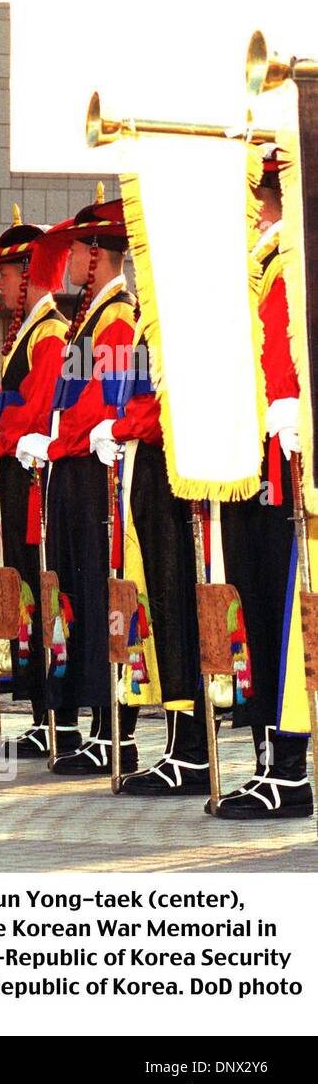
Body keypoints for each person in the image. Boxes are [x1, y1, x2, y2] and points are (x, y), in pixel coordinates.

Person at [17, 196, 202, 781]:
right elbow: (72, 399)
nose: (68, 260)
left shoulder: (117, 317)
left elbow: (105, 399)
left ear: (95, 255)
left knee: (109, 600)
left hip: (102, 468)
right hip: (80, 460)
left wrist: (65, 438)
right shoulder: (93, 316)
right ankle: (105, 727)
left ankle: (116, 730)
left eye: (74, 250)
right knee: (83, 599)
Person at [213, 147, 314, 818]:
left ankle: (291, 770)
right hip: (250, 456)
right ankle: (267, 753)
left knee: (283, 611)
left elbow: (287, 349)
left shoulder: (290, 262)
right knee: (255, 608)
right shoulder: (257, 266)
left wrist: (295, 403)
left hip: (284, 459)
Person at [0, 213, 75, 756]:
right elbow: (5, 407)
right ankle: (39, 712)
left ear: (29, 273)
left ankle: (58, 715)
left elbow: (37, 412)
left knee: (40, 592)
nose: (0, 285)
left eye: (7, 274)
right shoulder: (22, 336)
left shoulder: (51, 332)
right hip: (13, 480)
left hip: (35, 484)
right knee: (23, 594)